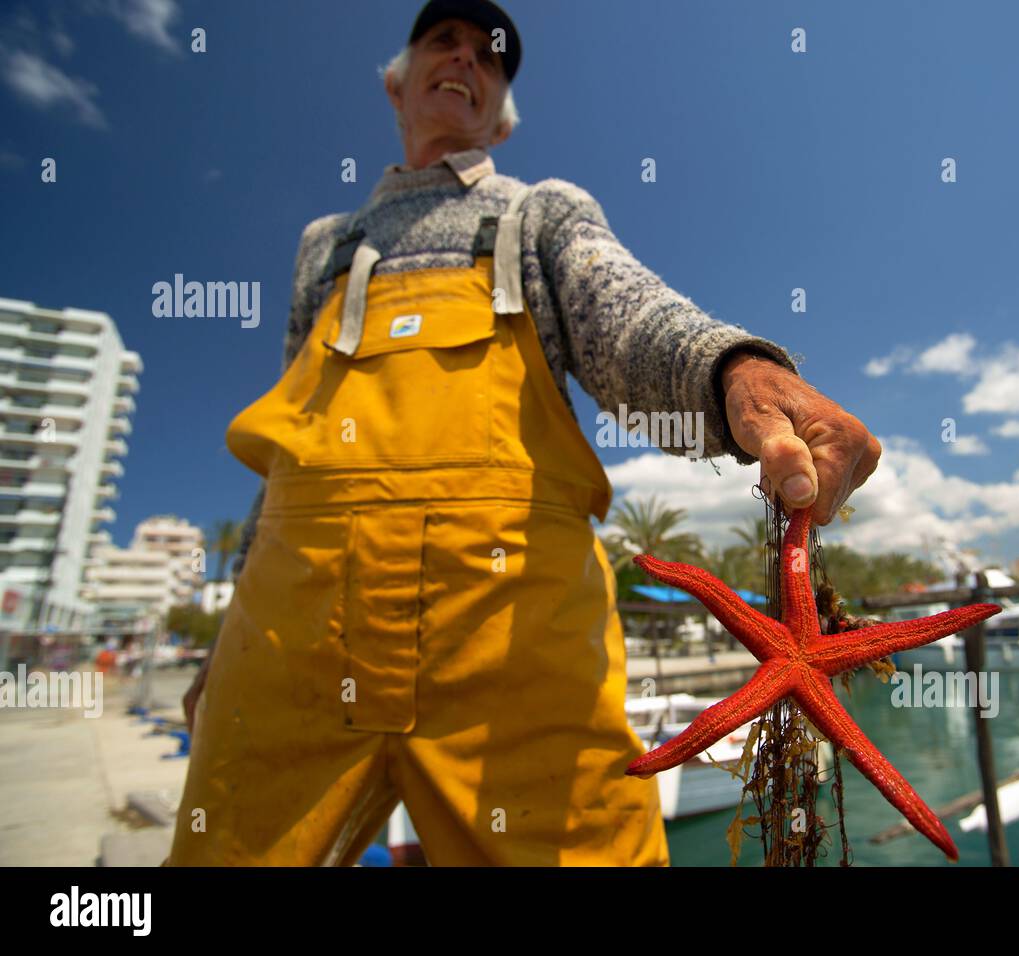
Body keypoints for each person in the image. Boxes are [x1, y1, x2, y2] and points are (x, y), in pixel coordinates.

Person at [166, 0, 881, 866]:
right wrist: (228, 635)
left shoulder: (539, 212)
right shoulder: (323, 247)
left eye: (490, 57)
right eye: (444, 42)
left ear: (502, 110)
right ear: (397, 80)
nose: (467, 57)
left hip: (515, 650)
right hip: (285, 642)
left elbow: (628, 317)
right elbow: (285, 449)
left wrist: (736, 373)